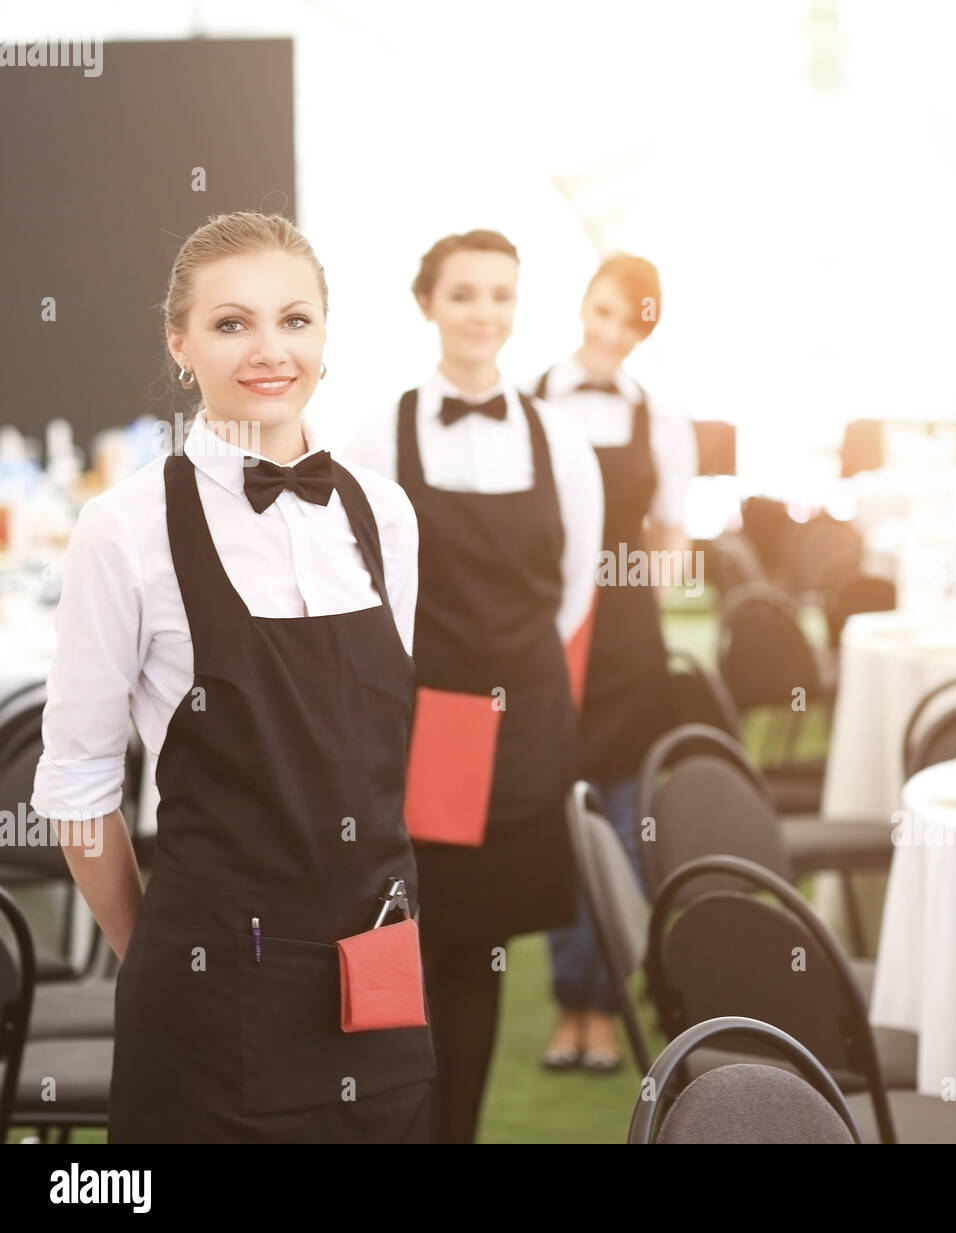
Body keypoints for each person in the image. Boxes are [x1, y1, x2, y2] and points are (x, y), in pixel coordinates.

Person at [32, 210, 436, 1143]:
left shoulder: (387, 515)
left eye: (294, 320)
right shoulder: (125, 528)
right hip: (206, 1006)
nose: (269, 349)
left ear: (325, 338)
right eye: (231, 323)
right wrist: (164, 956)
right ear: (180, 344)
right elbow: (78, 786)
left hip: (378, 976)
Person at [344, 229, 603, 1142]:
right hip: (429, 723)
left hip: (522, 717)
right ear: (427, 305)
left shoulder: (563, 440)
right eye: (463, 295)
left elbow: (574, 590)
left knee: (483, 949)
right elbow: (357, 586)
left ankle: (456, 1133)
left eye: (500, 295)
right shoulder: (379, 433)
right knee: (420, 939)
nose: (483, 313)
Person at [532, 254, 697, 1073]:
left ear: (643, 331)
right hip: (554, 633)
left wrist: (638, 597)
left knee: (627, 824)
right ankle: (570, 1004)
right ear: (583, 307)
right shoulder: (529, 403)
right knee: (564, 819)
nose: (609, 333)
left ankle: (607, 1003)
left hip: (629, 636)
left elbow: (670, 534)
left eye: (629, 322)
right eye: (602, 312)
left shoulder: (660, 417)